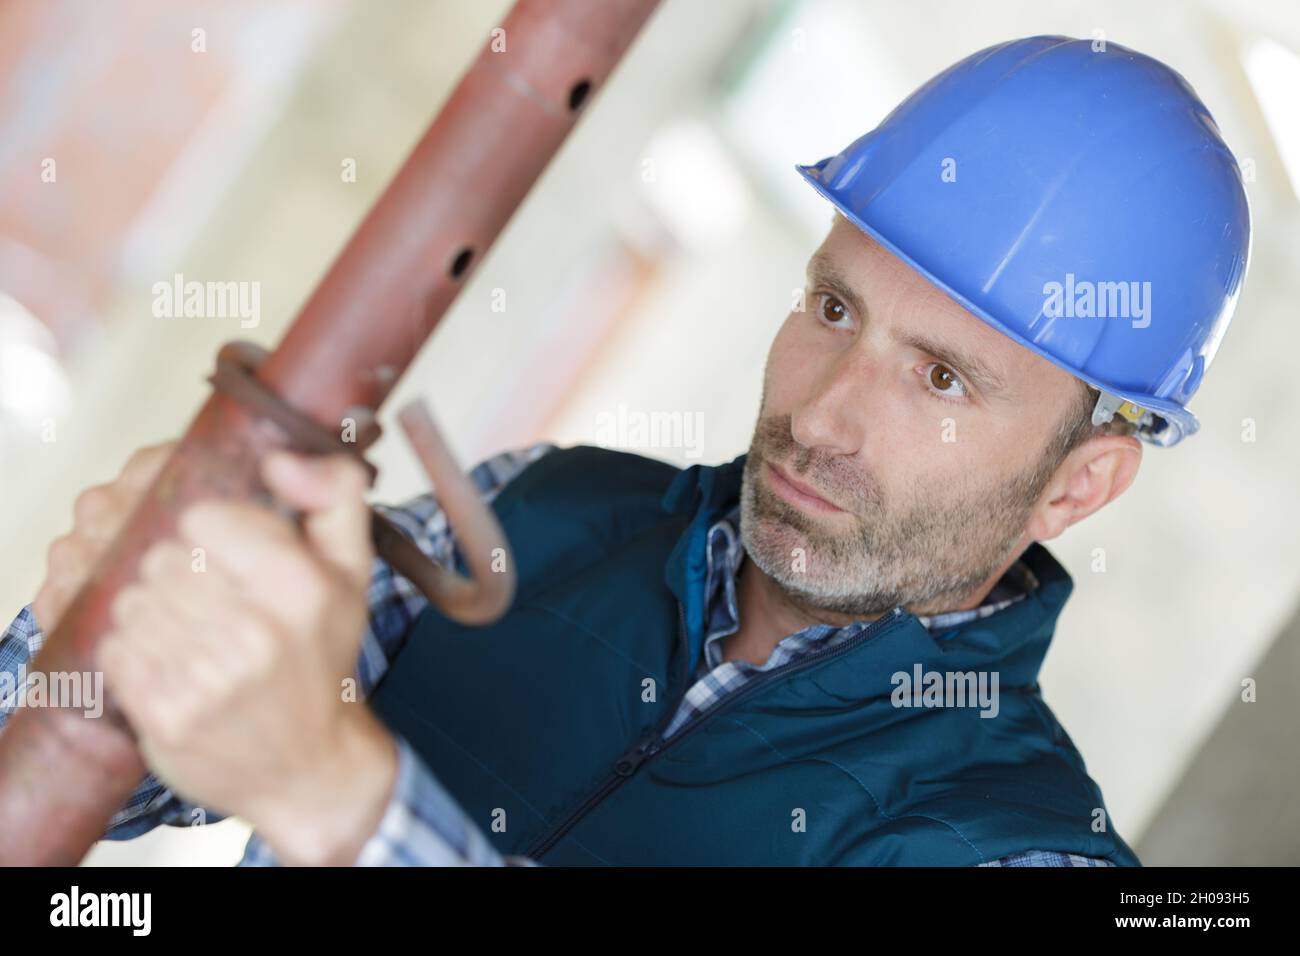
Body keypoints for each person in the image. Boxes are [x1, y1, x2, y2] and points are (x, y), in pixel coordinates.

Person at [0, 35, 1249, 866]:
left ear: (1078, 482)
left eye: (939, 378)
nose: (820, 414)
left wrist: (344, 804)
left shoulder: (1019, 846)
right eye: (832, 310)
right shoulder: (538, 508)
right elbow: (104, 773)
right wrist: (92, 645)